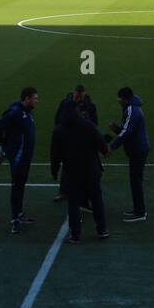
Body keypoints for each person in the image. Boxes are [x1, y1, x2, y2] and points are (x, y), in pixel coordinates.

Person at [51, 93, 110, 243]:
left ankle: (75, 235)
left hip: (72, 172)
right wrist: (105, 151)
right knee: (96, 200)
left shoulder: (59, 129)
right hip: (91, 169)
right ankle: (102, 230)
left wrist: (54, 170)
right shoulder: (88, 125)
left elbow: (55, 154)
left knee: (73, 204)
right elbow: (101, 144)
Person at [0, 87, 40, 232]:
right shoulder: (15, 113)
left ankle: (19, 214)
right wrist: (6, 146)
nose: (36, 101)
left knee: (21, 185)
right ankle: (15, 219)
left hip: (25, 157)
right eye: (35, 98)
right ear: (27, 98)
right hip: (18, 158)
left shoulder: (27, 112)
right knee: (16, 186)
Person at [107, 87, 150, 222]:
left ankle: (140, 212)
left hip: (138, 150)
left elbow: (126, 133)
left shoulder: (132, 110)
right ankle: (138, 209)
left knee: (135, 181)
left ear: (124, 99)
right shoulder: (132, 107)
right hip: (138, 148)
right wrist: (116, 129)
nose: (118, 101)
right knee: (135, 180)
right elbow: (128, 131)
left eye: (119, 98)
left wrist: (111, 147)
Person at [52, 85, 99, 204]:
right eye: (77, 94)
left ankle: (85, 196)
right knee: (68, 166)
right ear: (74, 93)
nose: (79, 96)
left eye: (80, 94)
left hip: (84, 141)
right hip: (69, 140)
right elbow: (58, 119)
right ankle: (64, 192)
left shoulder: (89, 105)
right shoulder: (66, 103)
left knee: (85, 168)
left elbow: (94, 122)